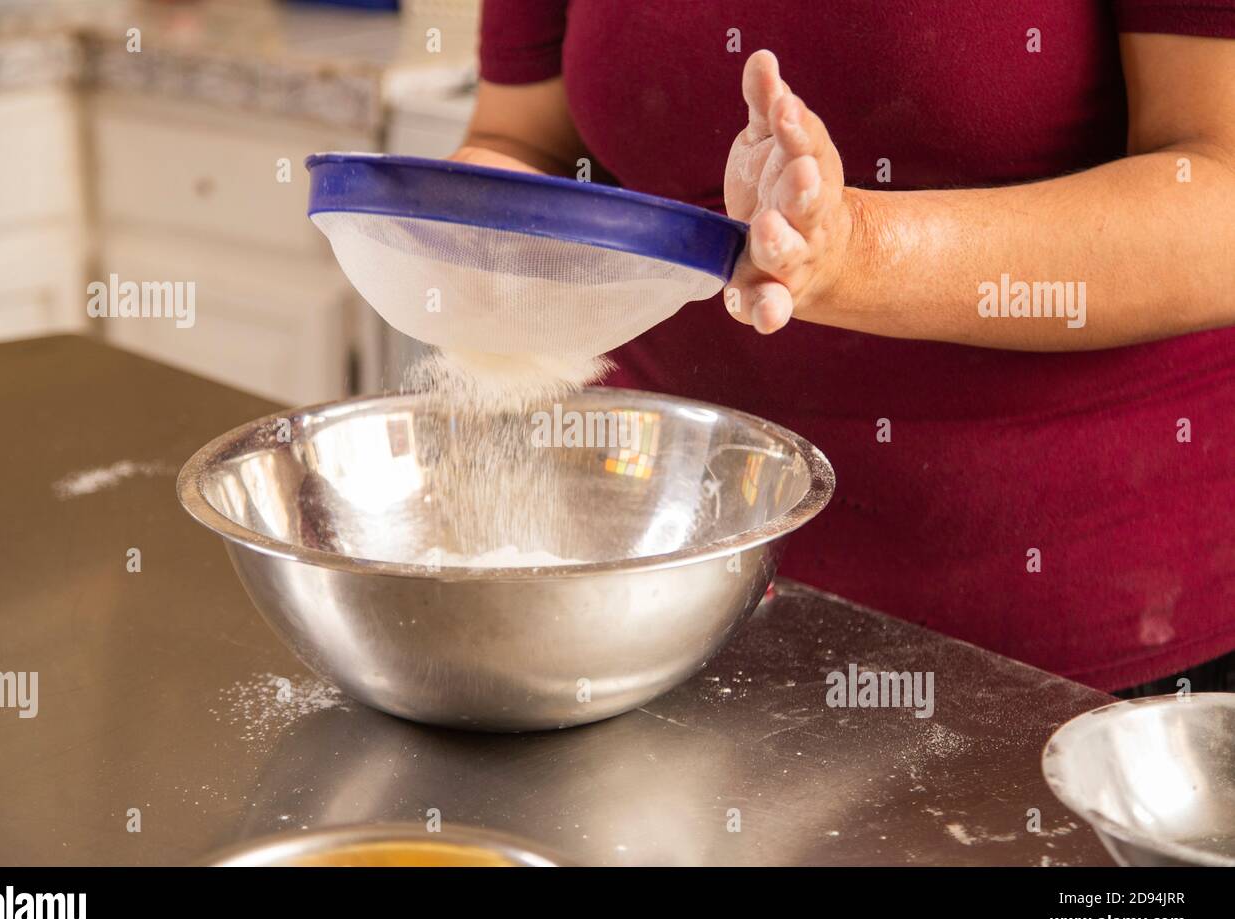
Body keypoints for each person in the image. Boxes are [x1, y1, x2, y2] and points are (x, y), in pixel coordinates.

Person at [452, 1, 1235, 694]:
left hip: (1068, 654)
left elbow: (1218, 192)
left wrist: (853, 251)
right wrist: (447, 223)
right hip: (647, 592)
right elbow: (522, 135)